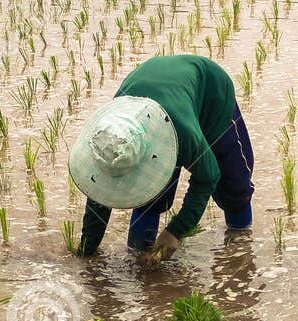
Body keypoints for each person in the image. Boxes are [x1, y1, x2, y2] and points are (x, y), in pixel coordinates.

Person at [69, 54, 253, 263]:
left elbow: (208, 176)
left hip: (212, 95)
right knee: (150, 198)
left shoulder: (185, 133)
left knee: (235, 188)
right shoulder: (110, 135)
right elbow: (100, 191)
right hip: (155, 93)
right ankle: (139, 257)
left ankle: (240, 253)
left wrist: (175, 231)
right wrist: (86, 252)